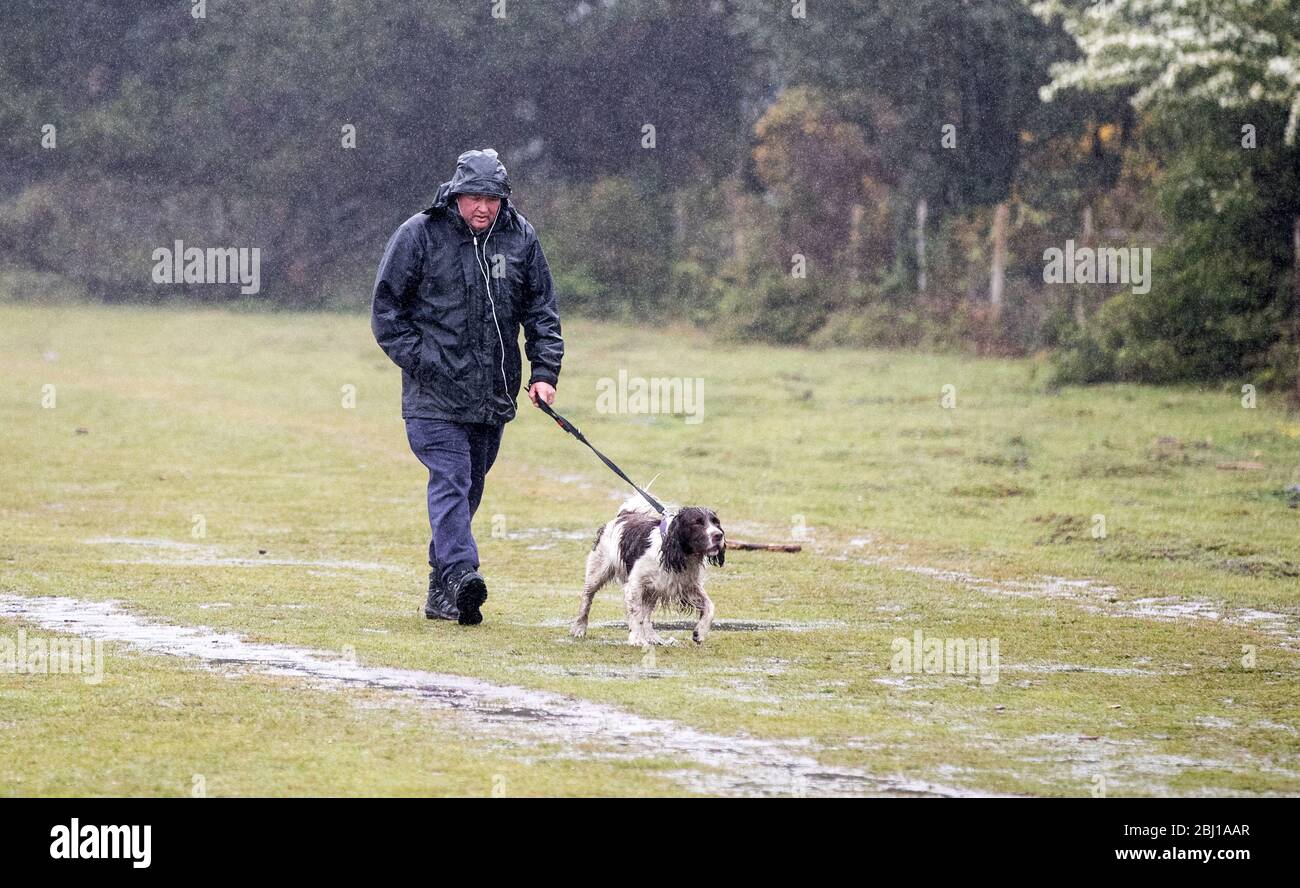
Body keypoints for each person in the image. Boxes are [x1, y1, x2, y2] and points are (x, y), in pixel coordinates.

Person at [370, 148, 563, 626]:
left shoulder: (521, 239)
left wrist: (543, 373)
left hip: (491, 395)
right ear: (455, 195)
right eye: (474, 197)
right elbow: (386, 314)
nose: (482, 207)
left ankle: (442, 591)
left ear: (503, 199)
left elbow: (541, 311)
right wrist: (427, 363)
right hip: (432, 398)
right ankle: (461, 574)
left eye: (492, 199)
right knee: (452, 478)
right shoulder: (419, 235)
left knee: (470, 487)